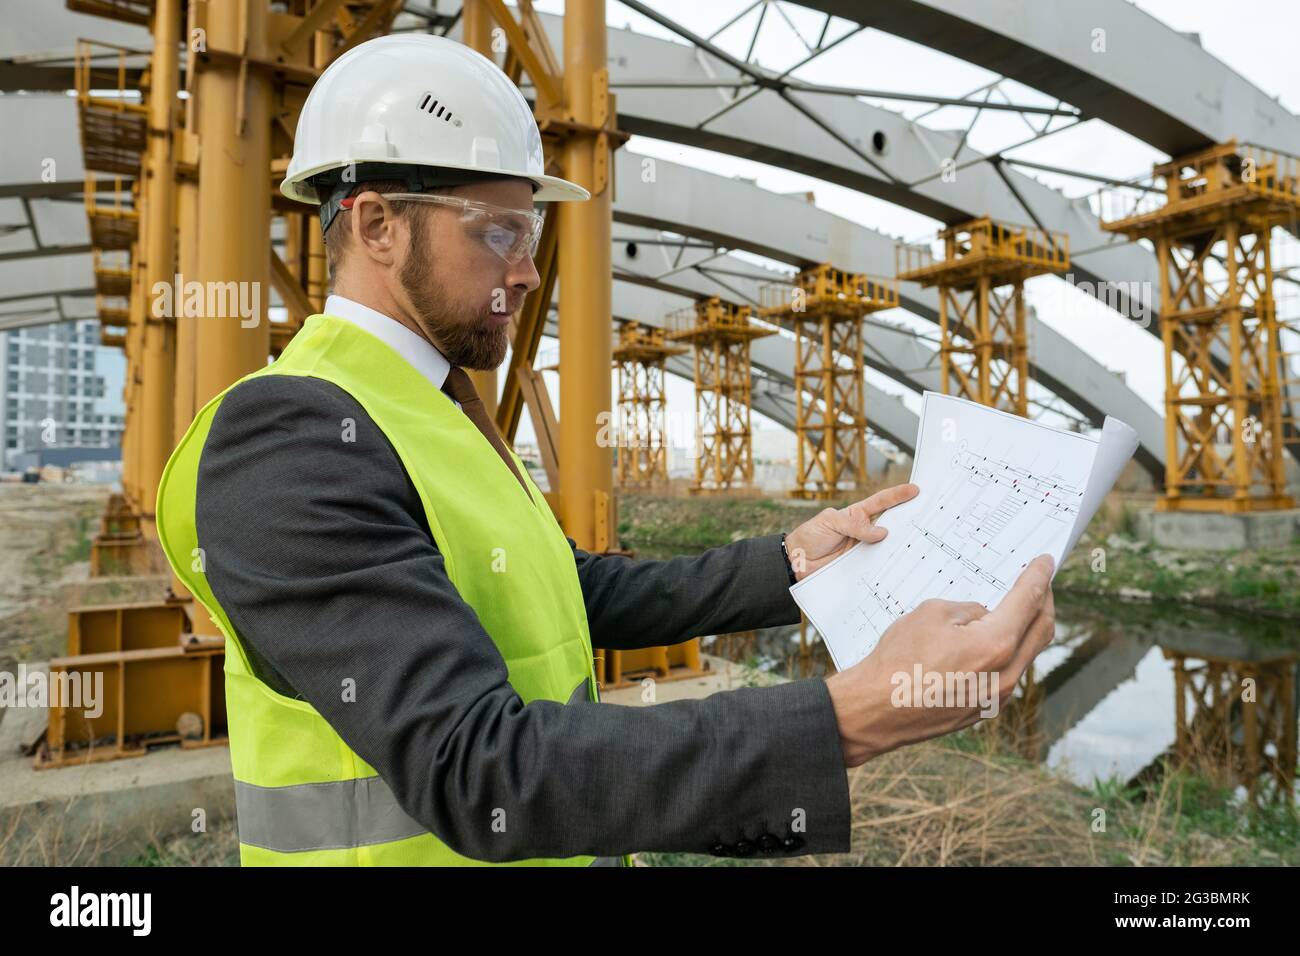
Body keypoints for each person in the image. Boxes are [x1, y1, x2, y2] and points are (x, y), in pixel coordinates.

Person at [155, 33, 1055, 867]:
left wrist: (790, 563)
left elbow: (560, 588)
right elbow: (481, 769)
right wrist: (855, 711)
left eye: (531, 233)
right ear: (378, 224)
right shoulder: (287, 440)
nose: (528, 270)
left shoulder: (422, 405)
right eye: (497, 231)